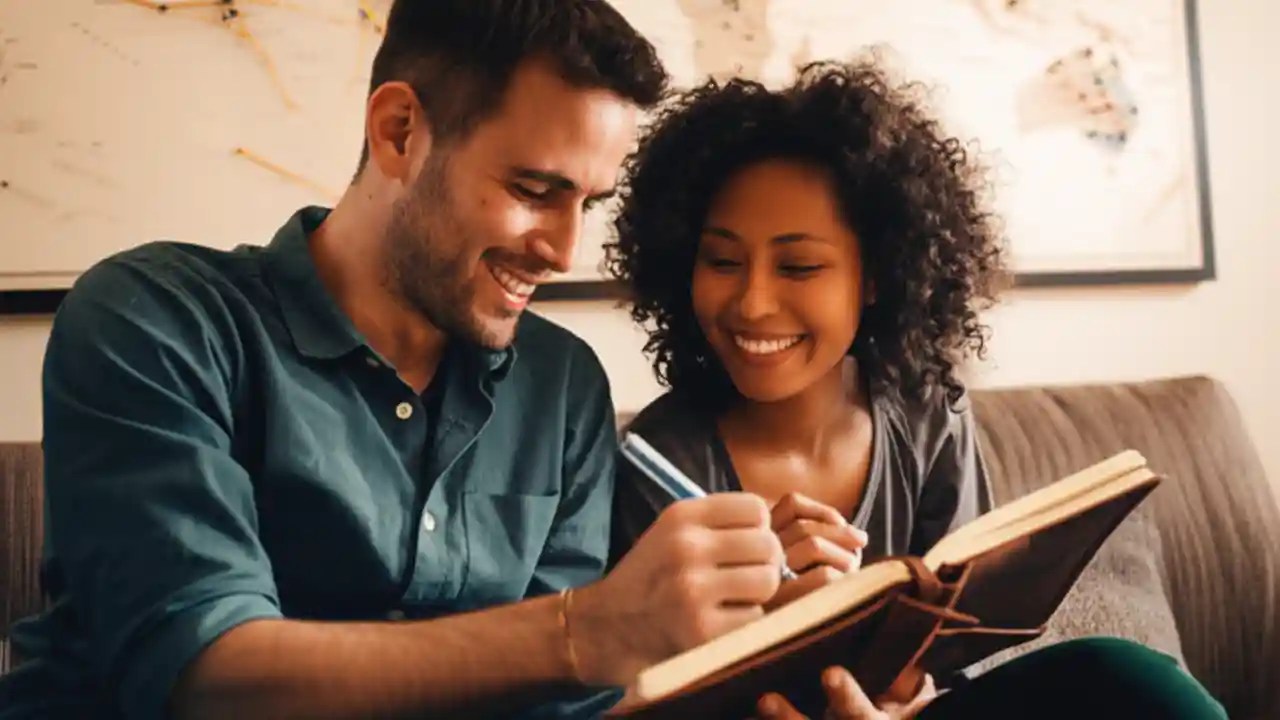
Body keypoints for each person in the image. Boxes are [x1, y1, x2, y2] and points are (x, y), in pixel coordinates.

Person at [0, 2, 799, 719]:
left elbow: (559, 707)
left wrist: (768, 668)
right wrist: (584, 630)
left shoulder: (562, 387)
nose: (563, 250)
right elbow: (203, 677)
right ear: (399, 132)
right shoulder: (157, 321)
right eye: (534, 189)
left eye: (585, 203)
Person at [605, 58, 1229, 719]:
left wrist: (905, 692)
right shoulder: (660, 458)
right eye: (723, 260)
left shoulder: (930, 413)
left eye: (800, 266)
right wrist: (769, 630)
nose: (753, 302)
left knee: (1126, 678)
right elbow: (642, 692)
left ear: (877, 277)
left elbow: (960, 646)